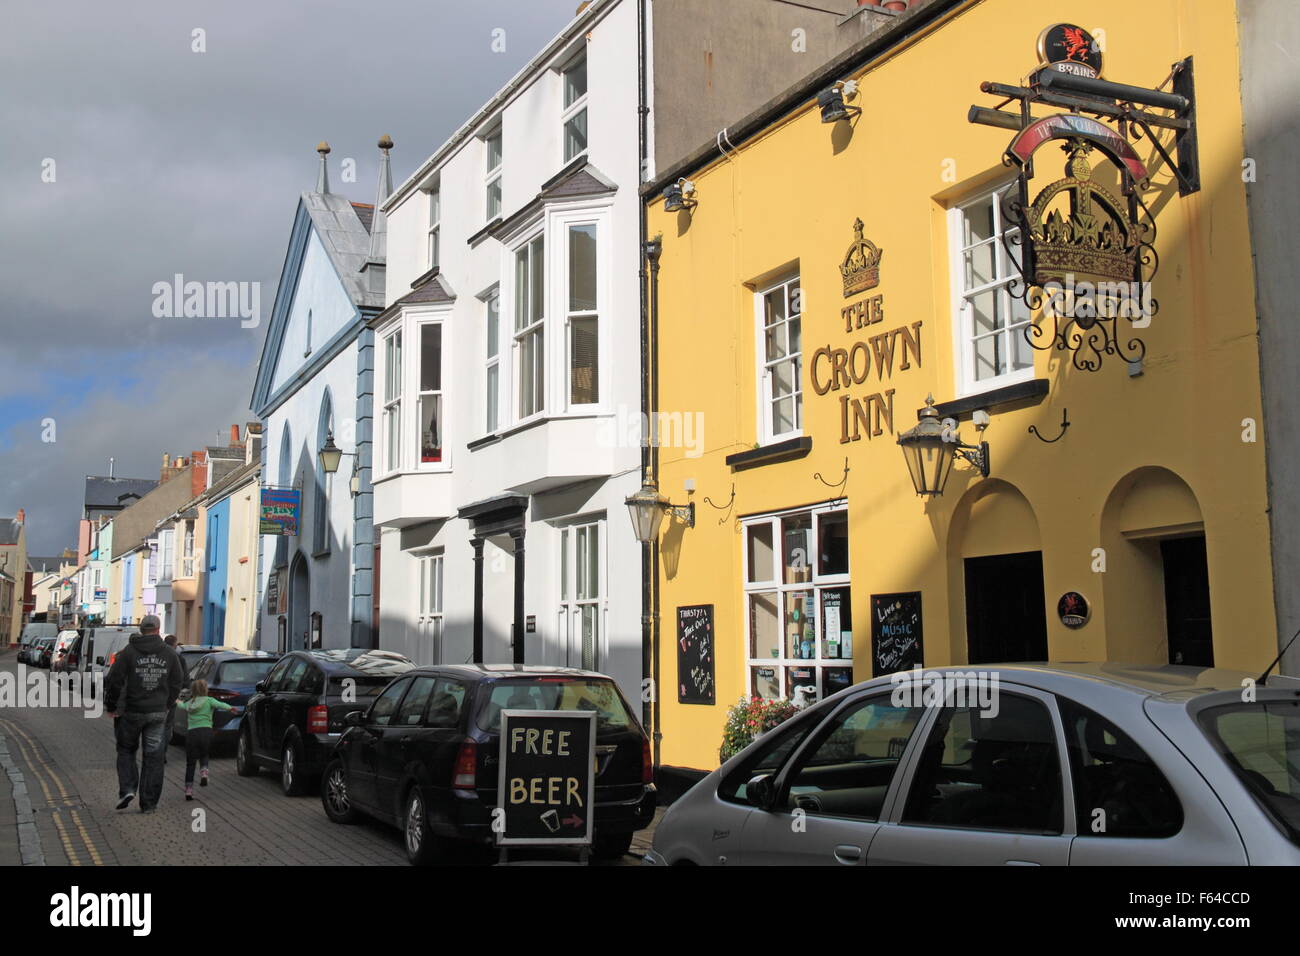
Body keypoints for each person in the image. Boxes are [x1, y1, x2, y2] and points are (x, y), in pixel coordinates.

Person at [103, 615, 183, 813]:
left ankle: (128, 789)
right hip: (157, 713)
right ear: (158, 629)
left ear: (141, 629)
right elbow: (177, 682)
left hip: (131, 712)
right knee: (154, 757)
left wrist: (112, 706)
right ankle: (148, 803)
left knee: (126, 750)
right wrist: (167, 703)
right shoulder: (169, 653)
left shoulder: (128, 653)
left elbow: (114, 680)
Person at [174, 678, 234, 800]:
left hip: (192, 733)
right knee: (204, 754)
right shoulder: (209, 700)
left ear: (193, 691)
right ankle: (204, 771)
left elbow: (181, 705)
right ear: (205, 689)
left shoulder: (190, 703)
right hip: (206, 731)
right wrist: (230, 708)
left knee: (190, 763)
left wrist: (176, 700)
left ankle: (189, 790)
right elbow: (220, 704)